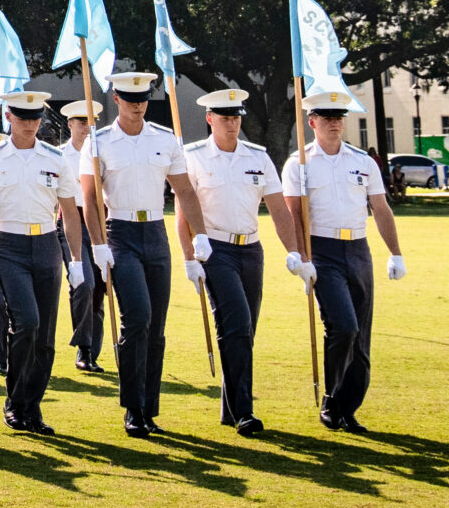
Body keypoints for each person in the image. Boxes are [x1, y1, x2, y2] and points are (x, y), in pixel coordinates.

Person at [76, 70, 205, 437]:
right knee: (138, 319)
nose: (138, 105)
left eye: (143, 99)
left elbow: (184, 192)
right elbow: (89, 196)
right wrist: (98, 242)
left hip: (155, 233)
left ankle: (149, 407)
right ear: (116, 99)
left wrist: (201, 238)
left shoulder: (165, 140)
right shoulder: (99, 142)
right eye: (130, 100)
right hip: (121, 231)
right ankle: (133, 407)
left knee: (157, 327)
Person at [0, 91, 88, 435]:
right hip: (10, 244)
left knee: (45, 337)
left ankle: (32, 406)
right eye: (22, 117)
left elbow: (70, 212)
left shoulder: (54, 157)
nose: (29, 123)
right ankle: (15, 402)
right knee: (27, 323)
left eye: (34, 118)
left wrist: (76, 259)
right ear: (9, 117)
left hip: (46, 243)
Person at [176, 87, 301, 436]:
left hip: (251, 249)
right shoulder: (194, 157)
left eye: (236, 118)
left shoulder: (257, 157)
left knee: (245, 332)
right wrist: (189, 258)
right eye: (225, 118)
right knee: (237, 325)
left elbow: (278, 209)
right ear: (209, 118)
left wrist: (294, 252)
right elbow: (184, 214)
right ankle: (244, 412)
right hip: (215, 249)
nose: (232, 124)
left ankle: (230, 409)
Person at [282, 89, 407, 434]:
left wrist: (395, 252)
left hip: (358, 249)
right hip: (323, 250)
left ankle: (347, 409)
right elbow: (293, 213)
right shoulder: (300, 163)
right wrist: (301, 257)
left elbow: (380, 208)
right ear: (312, 122)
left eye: (339, 118)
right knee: (344, 327)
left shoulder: (362, 162)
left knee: (361, 337)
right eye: (326, 118)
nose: (334, 123)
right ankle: (331, 398)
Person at [60, 101, 109, 373]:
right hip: (71, 222)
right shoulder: (59, 155)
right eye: (80, 123)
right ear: (69, 124)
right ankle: (84, 347)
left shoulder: (101, 154)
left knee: (100, 287)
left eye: (90, 124)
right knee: (84, 283)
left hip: (100, 221)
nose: (86, 130)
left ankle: (93, 350)